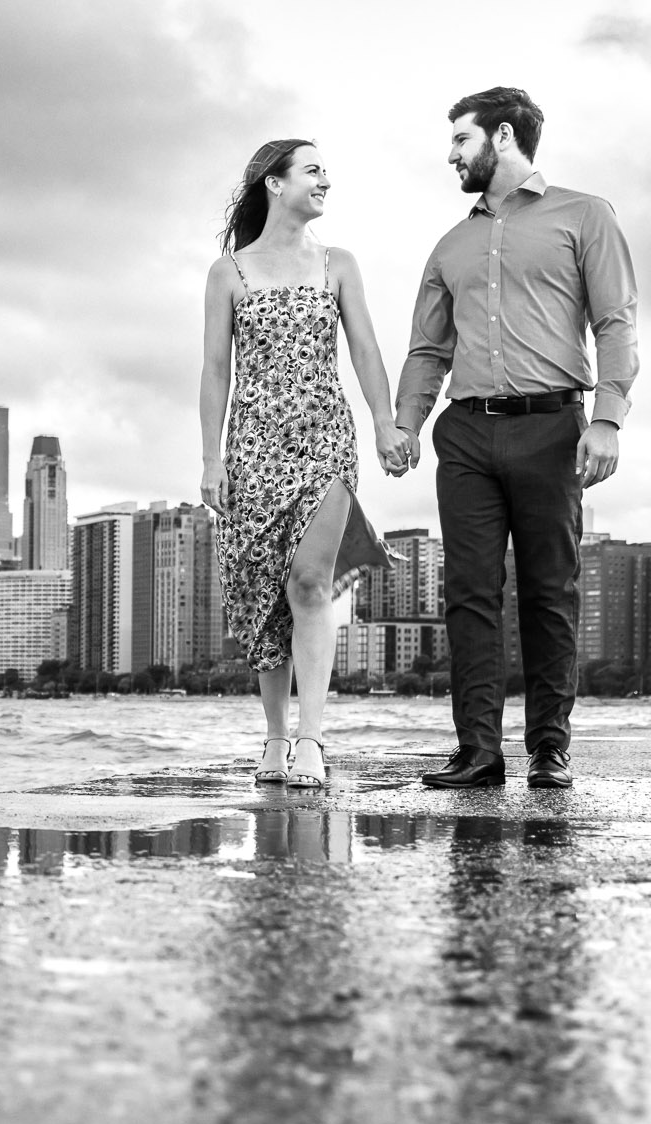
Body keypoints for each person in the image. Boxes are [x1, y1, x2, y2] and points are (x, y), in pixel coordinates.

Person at [394, 87, 639, 790]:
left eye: (461, 141)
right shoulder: (450, 245)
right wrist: (408, 423)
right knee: (467, 593)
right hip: (466, 433)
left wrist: (607, 417)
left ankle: (549, 751)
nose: (451, 155)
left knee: (548, 591)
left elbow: (616, 321)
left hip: (553, 426)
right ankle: (477, 750)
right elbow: (426, 349)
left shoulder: (585, 215)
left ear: (503, 137)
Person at [200, 139, 409, 789]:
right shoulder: (229, 273)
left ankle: (312, 740)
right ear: (273, 183)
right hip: (253, 447)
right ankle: (272, 738)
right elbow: (214, 371)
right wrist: (211, 460)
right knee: (267, 597)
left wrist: (384, 422)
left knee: (311, 583)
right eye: (313, 169)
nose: (326, 179)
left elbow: (366, 350)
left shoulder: (338, 264)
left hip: (326, 443)